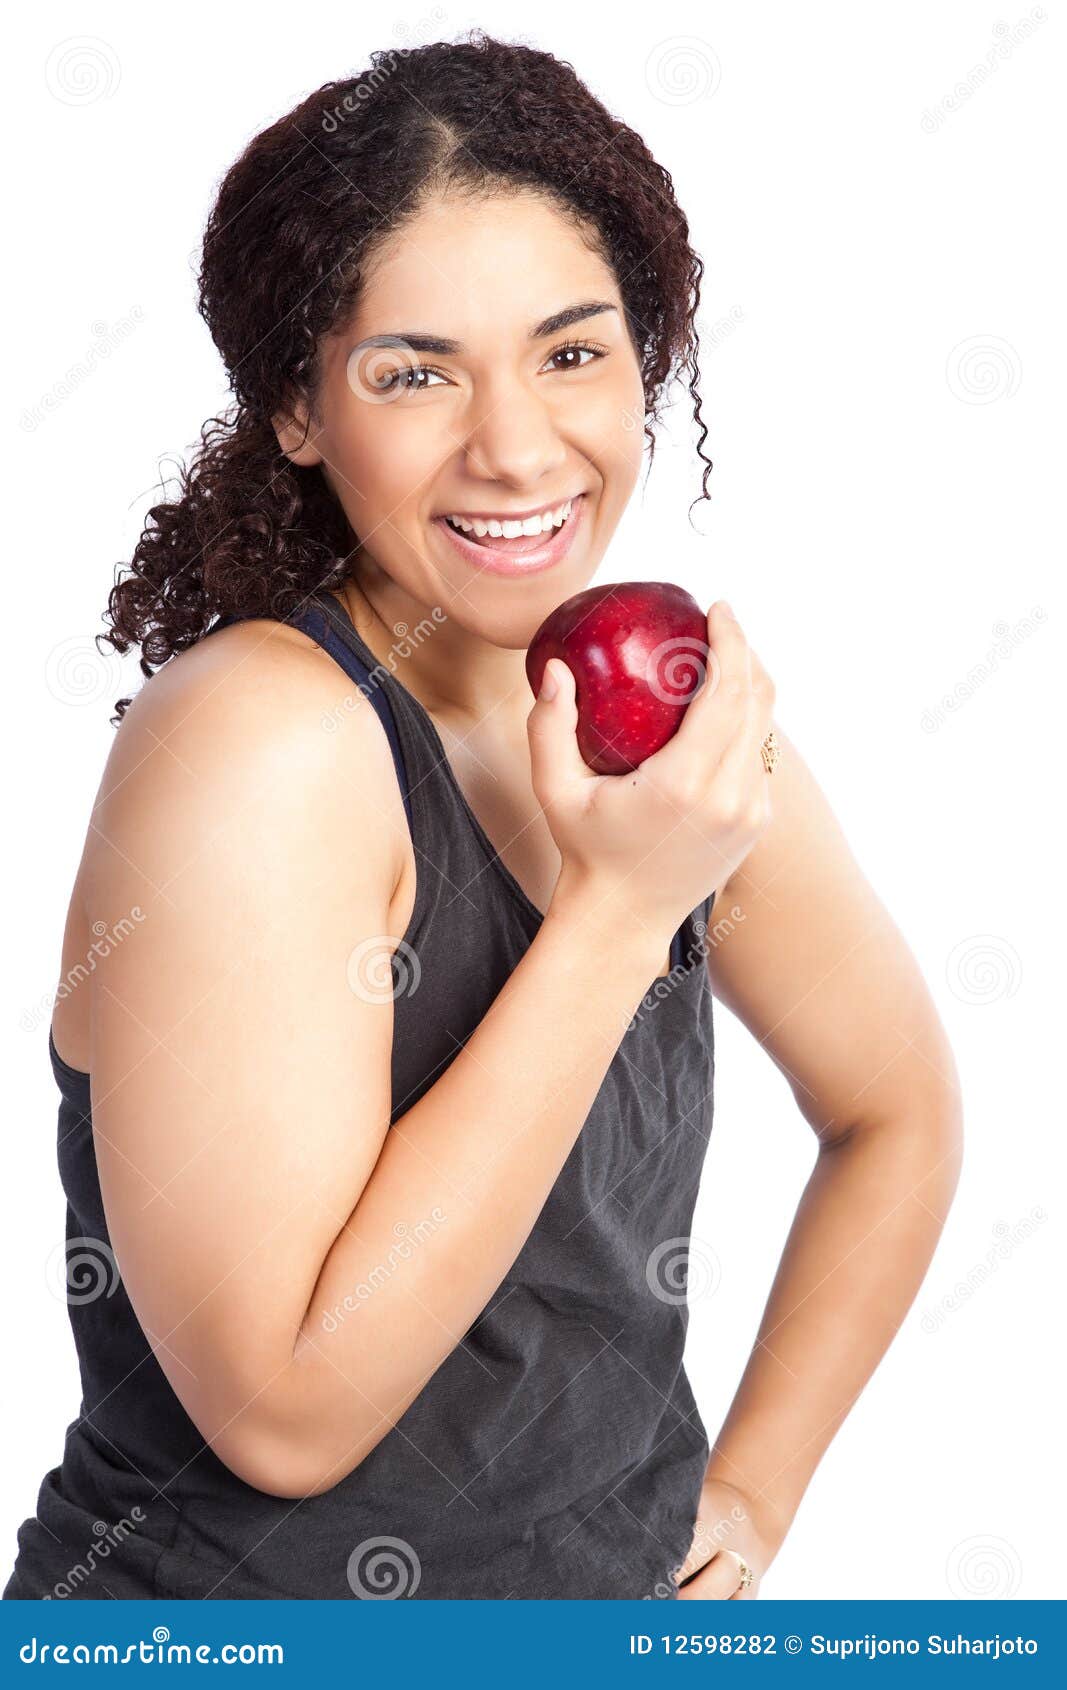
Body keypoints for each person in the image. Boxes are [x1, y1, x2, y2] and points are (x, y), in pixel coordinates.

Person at [4, 32, 962, 1601]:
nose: (516, 445)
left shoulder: (674, 742)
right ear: (300, 411)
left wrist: (753, 1495)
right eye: (414, 371)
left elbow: (900, 1114)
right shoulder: (260, 743)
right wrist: (615, 910)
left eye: (573, 353)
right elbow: (284, 1410)